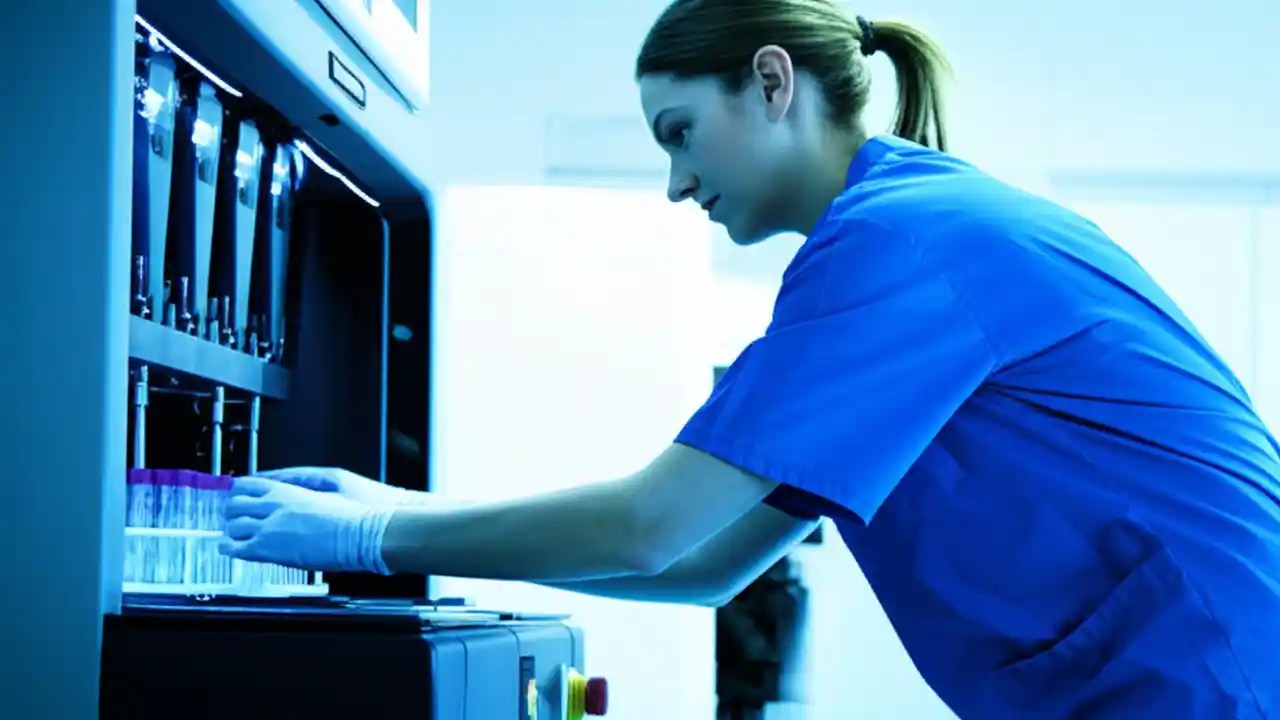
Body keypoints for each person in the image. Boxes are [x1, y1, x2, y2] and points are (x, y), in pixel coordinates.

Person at [220, 0, 1280, 716]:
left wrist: (376, 530)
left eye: (679, 132)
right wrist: (401, 520)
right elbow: (704, 567)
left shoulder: (902, 244)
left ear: (771, 82)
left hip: (1210, 678)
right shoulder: (886, 244)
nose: (676, 184)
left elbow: (650, 526)